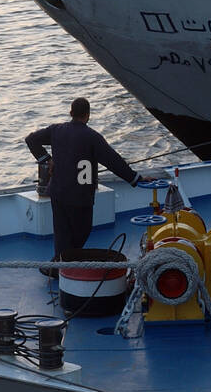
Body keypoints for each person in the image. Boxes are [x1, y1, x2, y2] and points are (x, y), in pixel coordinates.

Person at [26, 98, 143, 275]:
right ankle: (64, 264)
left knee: (62, 231)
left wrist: (46, 159)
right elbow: (114, 161)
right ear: (88, 115)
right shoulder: (92, 137)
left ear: (70, 113)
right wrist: (135, 178)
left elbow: (31, 139)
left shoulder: (56, 130)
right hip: (80, 194)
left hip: (57, 191)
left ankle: (60, 263)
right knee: (82, 230)